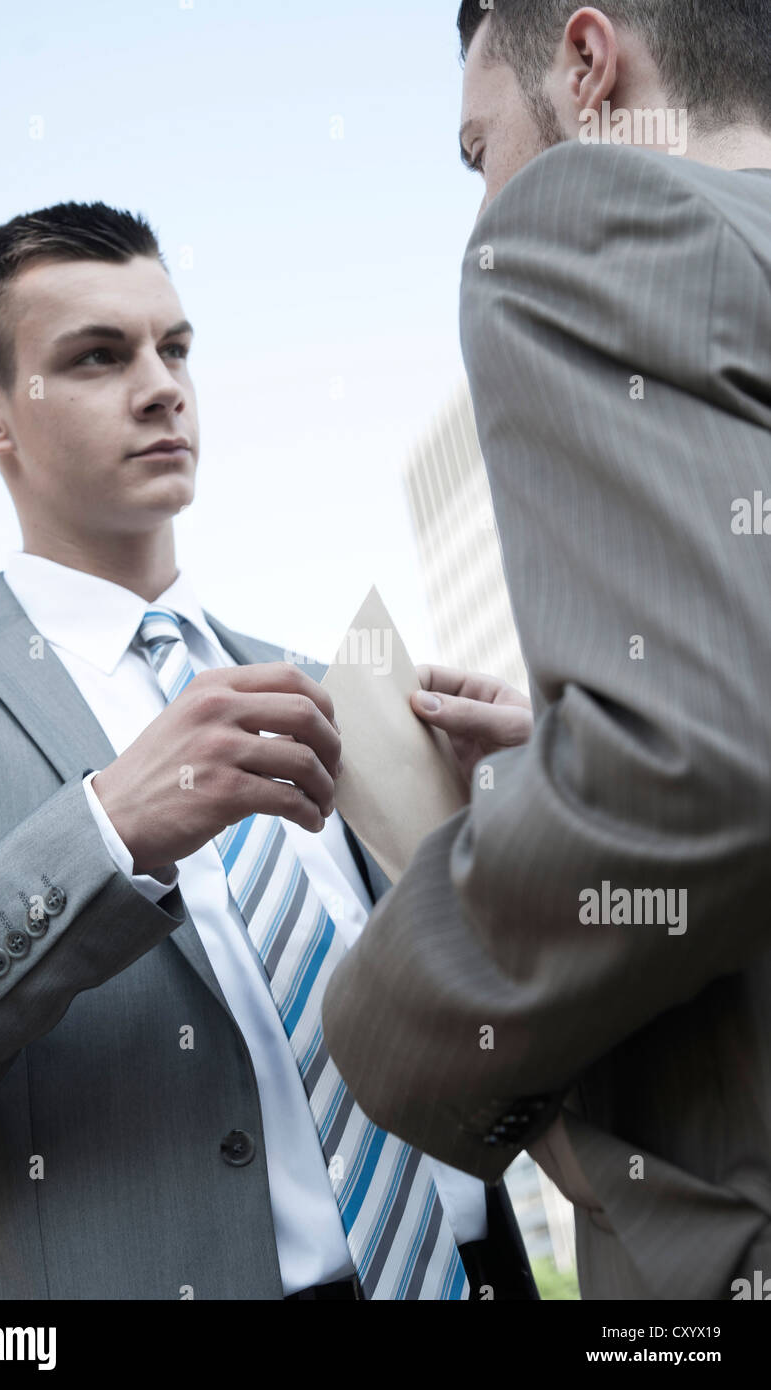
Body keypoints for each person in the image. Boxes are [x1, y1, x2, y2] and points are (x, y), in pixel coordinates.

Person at [0, 200, 537, 1300]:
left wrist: (528, 815)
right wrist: (105, 831)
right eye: (99, 357)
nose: (163, 386)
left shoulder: (328, 687)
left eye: (175, 347)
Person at [322, 1, 771, 1300]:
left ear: (585, 62)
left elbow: (695, 771)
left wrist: (389, 1001)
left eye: (476, 152)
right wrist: (567, 741)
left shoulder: (582, 217)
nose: (480, 213)